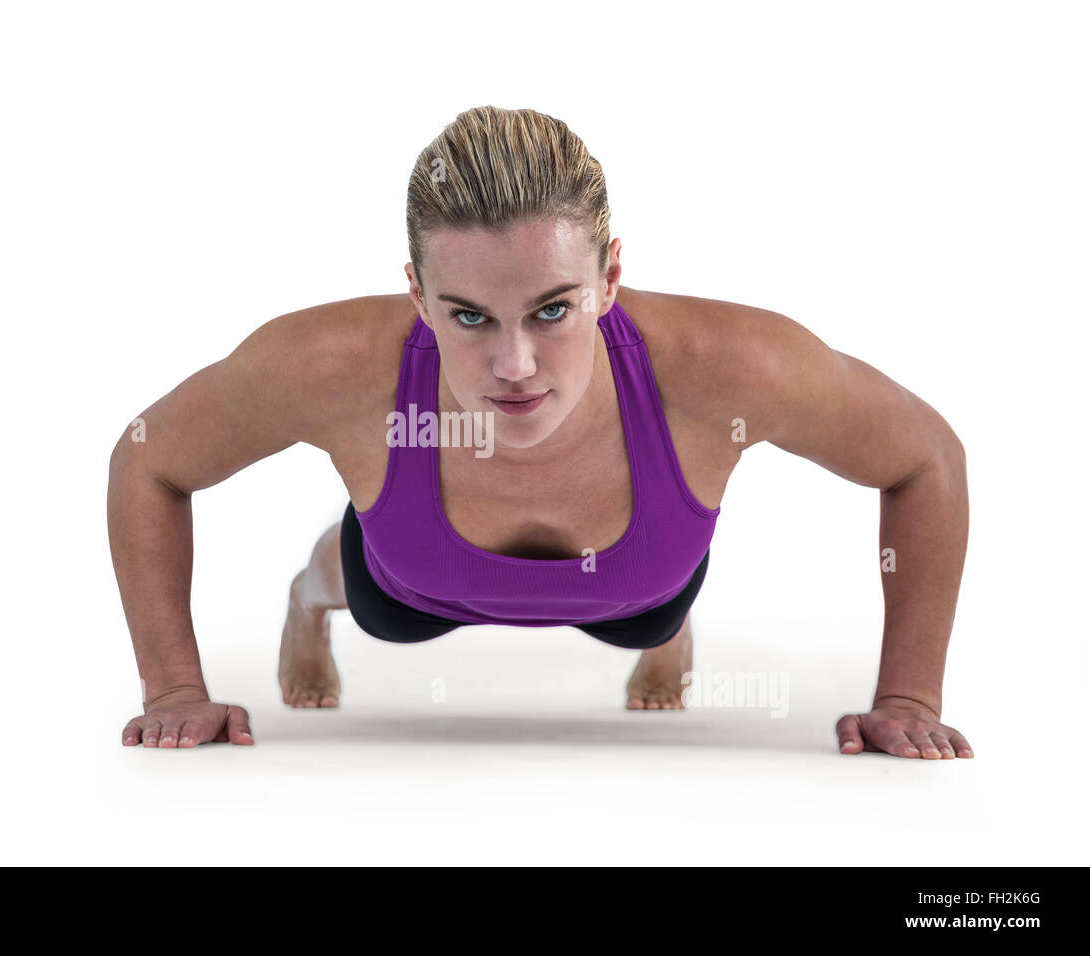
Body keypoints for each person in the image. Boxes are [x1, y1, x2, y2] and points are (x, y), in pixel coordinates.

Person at [107, 105, 973, 759]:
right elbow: (148, 460)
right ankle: (307, 602)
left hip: (643, 586)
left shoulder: (730, 367)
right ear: (417, 295)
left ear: (610, 279)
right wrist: (175, 685)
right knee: (360, 588)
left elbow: (924, 457)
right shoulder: (333, 365)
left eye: (553, 309)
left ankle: (666, 637)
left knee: (648, 617)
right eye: (469, 316)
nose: (515, 364)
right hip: (407, 583)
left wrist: (909, 697)